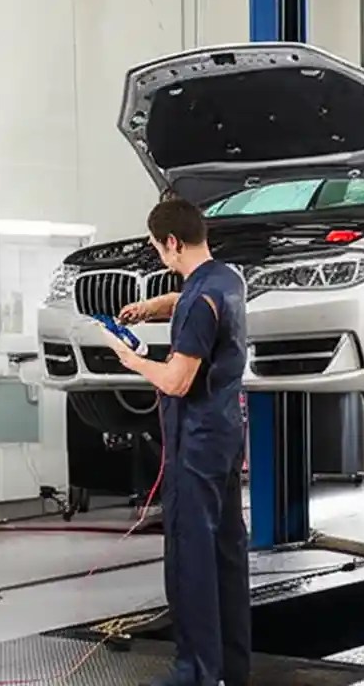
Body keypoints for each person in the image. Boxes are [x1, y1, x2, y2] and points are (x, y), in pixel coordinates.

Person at [103, 197, 251, 686]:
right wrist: (152, 306)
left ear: (171, 242)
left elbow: (177, 381)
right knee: (227, 550)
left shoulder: (197, 305)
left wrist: (131, 359)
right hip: (228, 436)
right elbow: (192, 295)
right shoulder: (227, 279)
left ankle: (196, 673)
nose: (157, 255)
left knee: (190, 558)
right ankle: (231, 667)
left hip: (196, 443)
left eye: (156, 247)